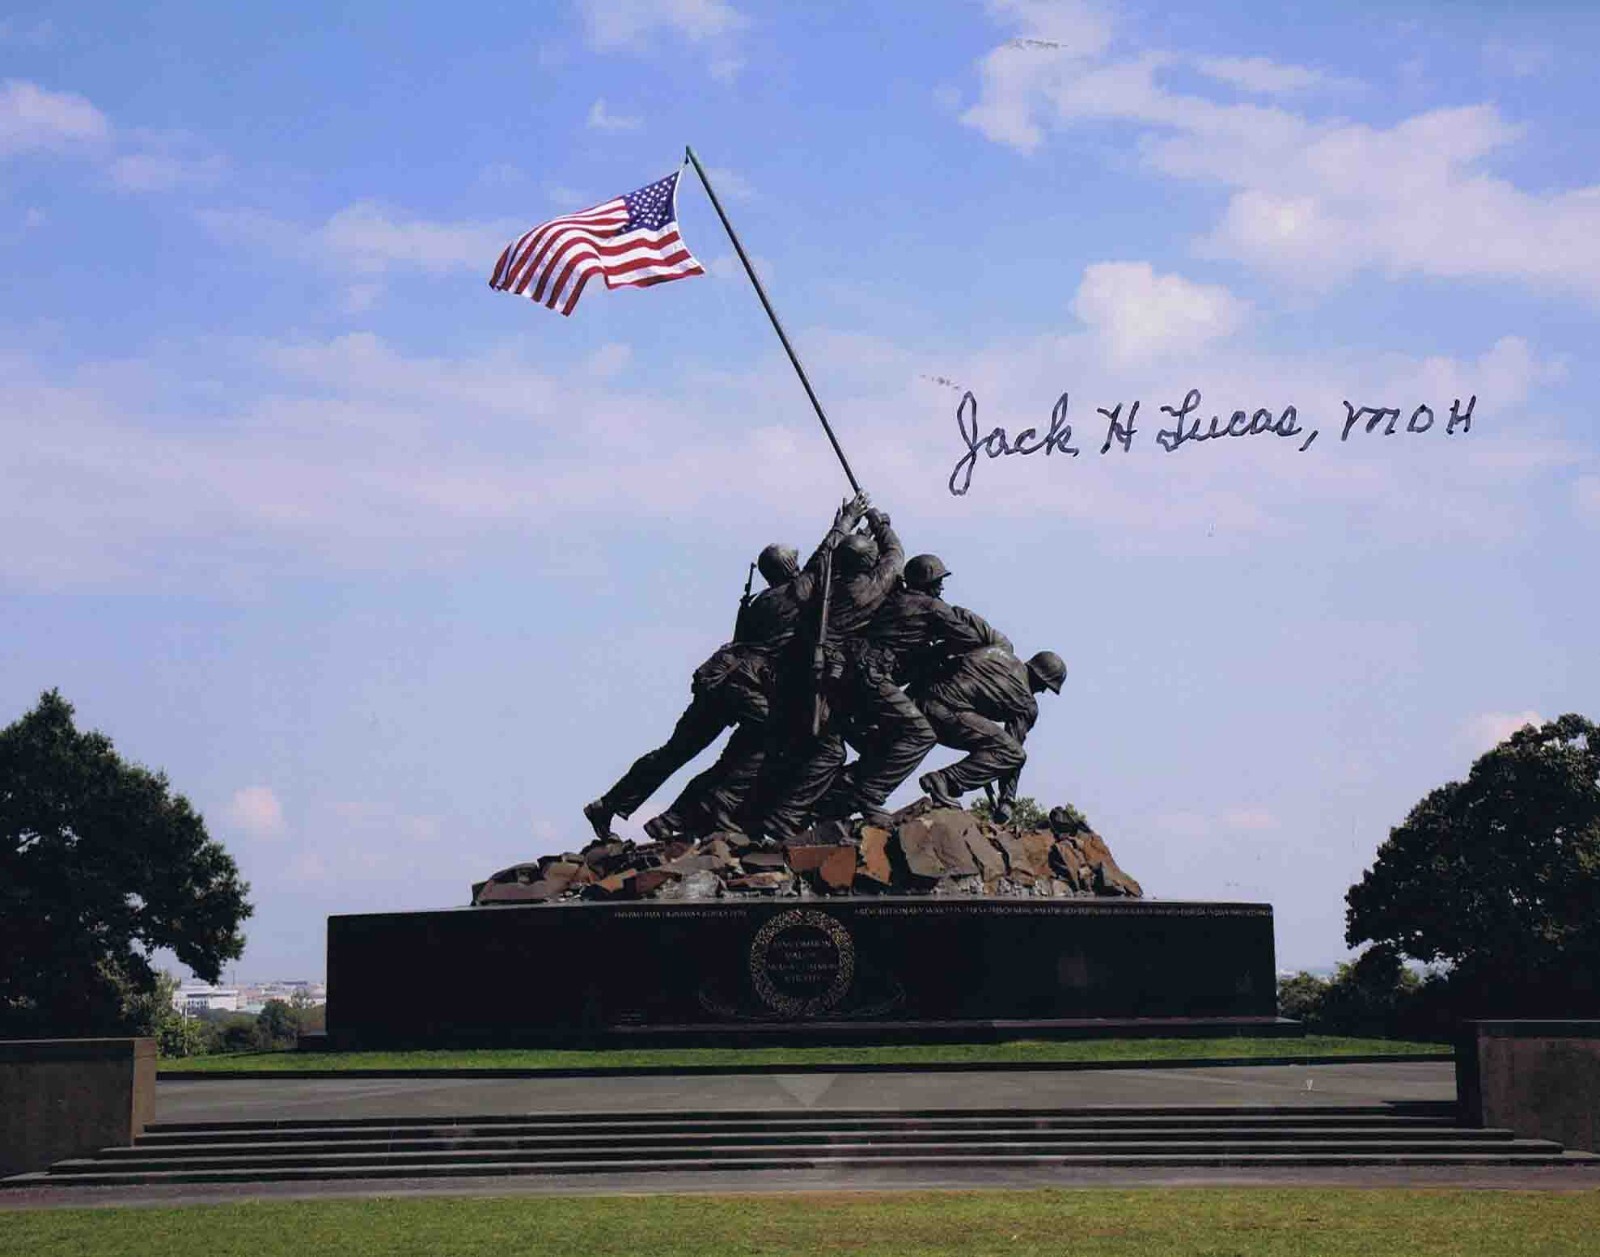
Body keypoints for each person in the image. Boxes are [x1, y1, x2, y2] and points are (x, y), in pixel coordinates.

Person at [582, 493, 868, 842]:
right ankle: (709, 808)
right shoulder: (797, 592)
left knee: (675, 752)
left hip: (717, 679)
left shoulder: (758, 603)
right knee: (776, 737)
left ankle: (609, 804)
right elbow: (824, 559)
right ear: (790, 567)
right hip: (747, 684)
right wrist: (846, 521)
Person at [742, 505, 904, 841]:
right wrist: (879, 523)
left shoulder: (819, 591)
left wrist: (849, 528)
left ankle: (783, 814)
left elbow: (826, 559)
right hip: (825, 682)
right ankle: (785, 819)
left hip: (793, 680)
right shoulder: (858, 588)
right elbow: (894, 555)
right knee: (830, 751)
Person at [820, 553, 1008, 824]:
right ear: (927, 582)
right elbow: (971, 639)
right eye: (938, 582)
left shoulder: (893, 600)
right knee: (920, 734)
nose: (941, 587)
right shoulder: (932, 607)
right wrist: (950, 633)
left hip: (855, 676)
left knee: (886, 740)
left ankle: (837, 795)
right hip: (872, 676)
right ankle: (868, 795)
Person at [914, 647, 1066, 823]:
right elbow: (1012, 752)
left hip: (919, 698)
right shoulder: (1026, 703)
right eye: (1046, 686)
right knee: (1013, 753)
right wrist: (1007, 800)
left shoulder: (998, 654)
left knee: (996, 742)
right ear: (1040, 678)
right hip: (944, 712)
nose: (1043, 691)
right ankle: (944, 780)